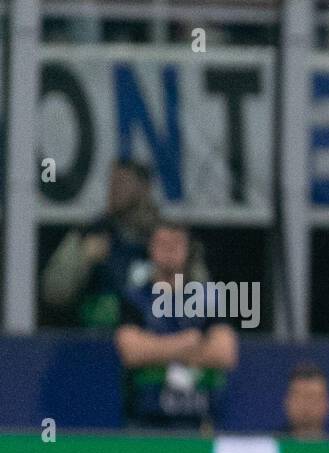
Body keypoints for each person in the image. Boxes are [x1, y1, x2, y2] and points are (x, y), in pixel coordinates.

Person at [113, 222, 238, 432]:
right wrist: (188, 343)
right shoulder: (134, 298)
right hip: (146, 420)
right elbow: (131, 352)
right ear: (151, 248)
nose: (169, 250)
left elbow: (225, 353)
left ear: (188, 249)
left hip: (199, 419)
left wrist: (155, 349)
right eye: (162, 243)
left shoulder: (209, 298)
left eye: (176, 243)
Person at [42, 160, 160, 328]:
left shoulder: (167, 236)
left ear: (144, 188)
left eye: (122, 183)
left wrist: (170, 273)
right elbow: (53, 292)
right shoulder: (88, 233)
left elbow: (197, 298)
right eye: (111, 183)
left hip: (152, 338)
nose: (113, 189)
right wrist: (82, 259)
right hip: (96, 338)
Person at [282, 362, 329, 440]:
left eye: (312, 397)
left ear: (327, 403)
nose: (306, 404)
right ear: (287, 402)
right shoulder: (267, 448)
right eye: (299, 396)